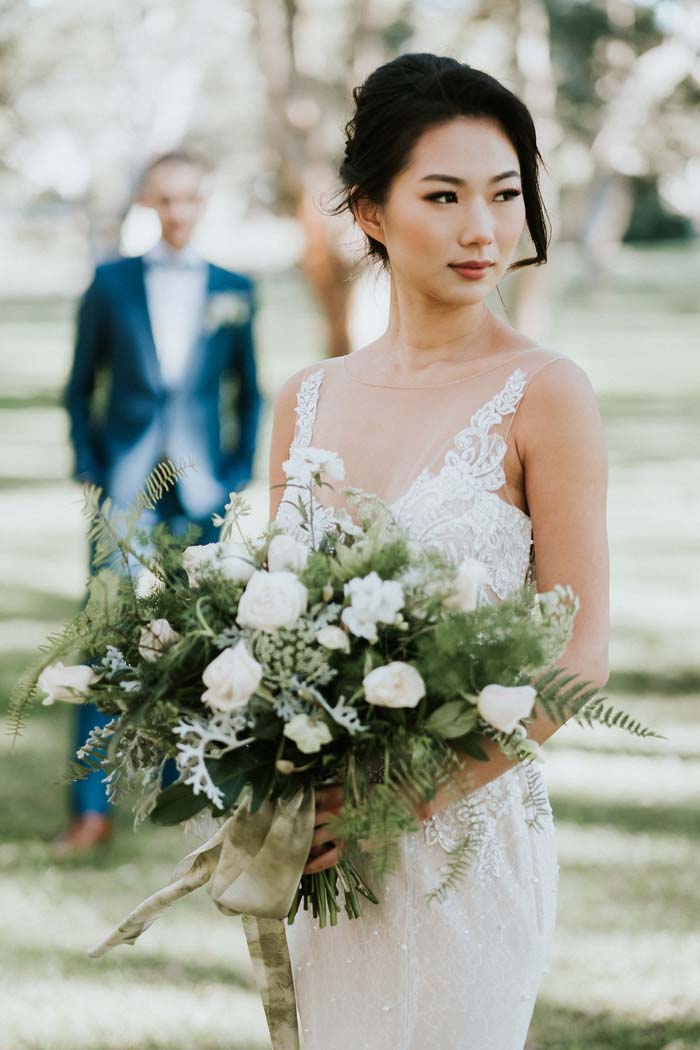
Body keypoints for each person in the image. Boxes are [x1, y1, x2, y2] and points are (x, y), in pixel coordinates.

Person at [268, 54, 609, 1050]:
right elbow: (263, 612)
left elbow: (578, 661)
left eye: (505, 195)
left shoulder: (546, 394)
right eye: (445, 195)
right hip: (318, 847)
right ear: (369, 211)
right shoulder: (308, 398)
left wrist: (395, 798)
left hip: (464, 834)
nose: (483, 229)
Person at [56, 150, 262, 854]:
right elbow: (79, 386)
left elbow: (248, 389)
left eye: (188, 200)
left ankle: (193, 793)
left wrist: (236, 473)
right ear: (148, 202)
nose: (177, 212)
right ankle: (90, 808)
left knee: (201, 638)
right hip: (126, 490)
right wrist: (93, 468)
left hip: (203, 487)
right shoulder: (110, 284)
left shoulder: (235, 287)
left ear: (203, 202)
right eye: (164, 200)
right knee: (106, 632)